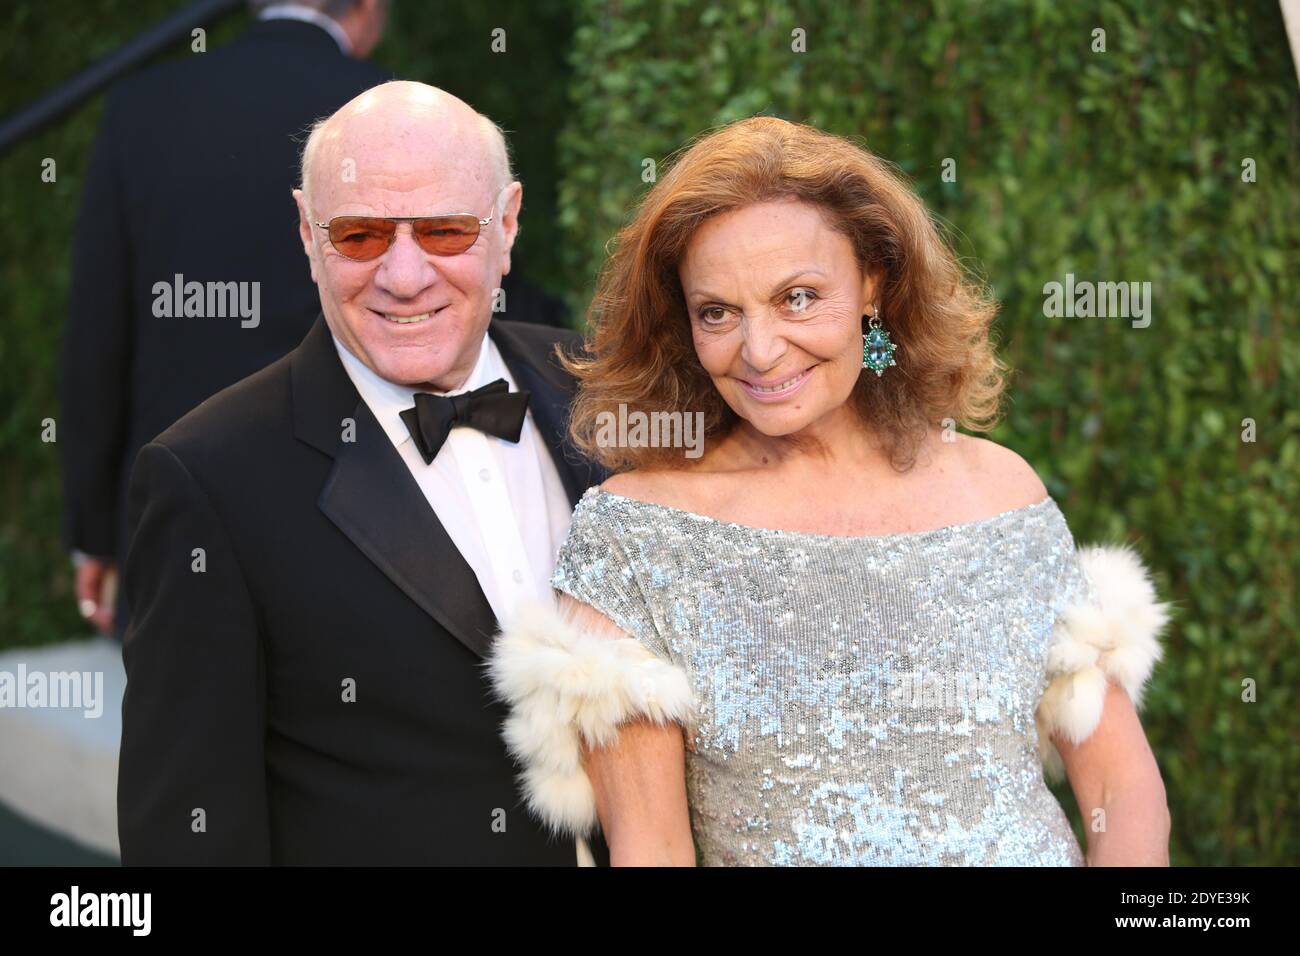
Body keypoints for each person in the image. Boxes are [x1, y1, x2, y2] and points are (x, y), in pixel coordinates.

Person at [486, 116, 1174, 866]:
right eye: (717, 312)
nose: (760, 350)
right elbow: (650, 848)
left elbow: (1117, 787)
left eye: (799, 298)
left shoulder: (999, 490)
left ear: (873, 283)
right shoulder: (636, 535)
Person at [118, 80, 605, 865]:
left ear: (507, 225)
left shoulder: (608, 392)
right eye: (360, 235)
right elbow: (189, 829)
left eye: (446, 231)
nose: (404, 276)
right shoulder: (208, 476)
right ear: (307, 234)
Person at [61, 0, 391, 639]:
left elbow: (96, 340)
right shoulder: (395, 113)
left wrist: (95, 532)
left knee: (181, 729)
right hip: (363, 518)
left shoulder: (143, 106)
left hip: (177, 507)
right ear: (368, 7)